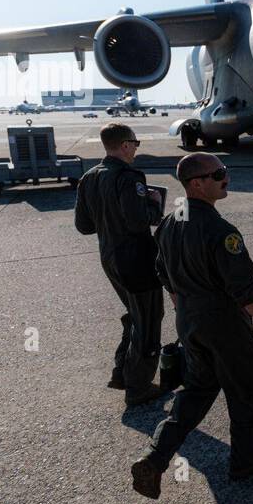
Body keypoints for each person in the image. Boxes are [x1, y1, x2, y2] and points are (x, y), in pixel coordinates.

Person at [130, 153, 253, 499]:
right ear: (197, 184)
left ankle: (154, 457)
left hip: (189, 320)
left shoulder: (170, 222)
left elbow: (161, 270)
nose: (225, 178)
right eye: (218, 174)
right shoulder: (220, 231)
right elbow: (245, 291)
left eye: (224, 171)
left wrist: (180, 302)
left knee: (196, 392)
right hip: (223, 325)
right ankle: (247, 459)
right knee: (252, 390)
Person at [73, 122, 165, 407]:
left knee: (135, 314)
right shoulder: (129, 177)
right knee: (148, 321)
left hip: (110, 258)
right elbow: (139, 221)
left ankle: (122, 372)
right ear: (125, 145)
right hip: (136, 259)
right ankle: (138, 388)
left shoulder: (88, 177)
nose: (136, 149)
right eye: (135, 144)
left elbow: (83, 226)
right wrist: (154, 207)